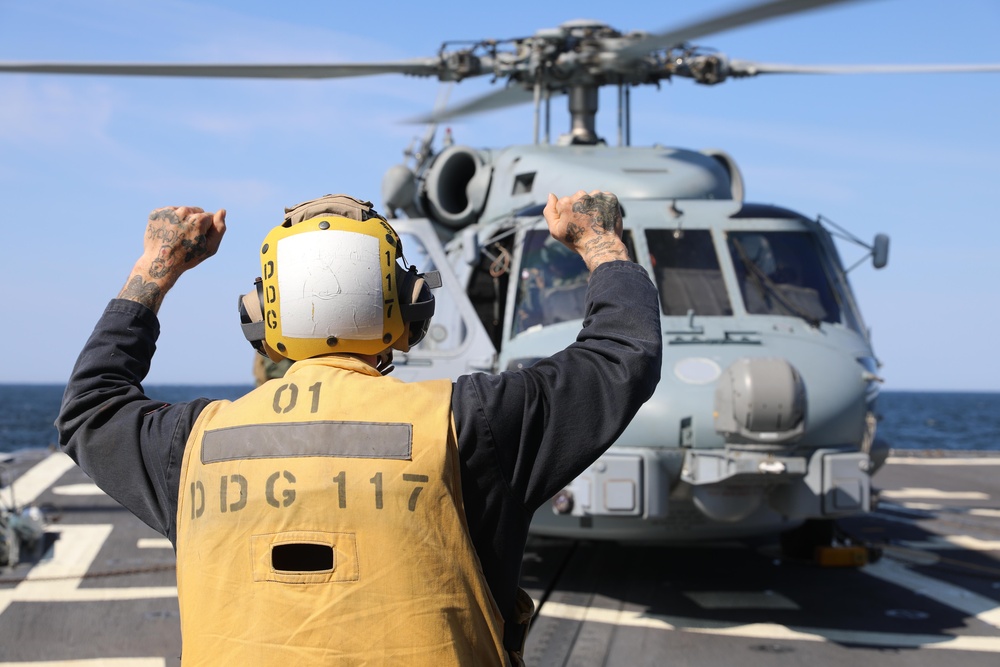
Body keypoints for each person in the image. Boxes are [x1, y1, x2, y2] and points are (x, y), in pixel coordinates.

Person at [56, 190, 661, 665]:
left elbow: (92, 406)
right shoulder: (471, 426)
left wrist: (157, 265)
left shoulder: (192, 445)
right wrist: (601, 243)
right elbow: (621, 355)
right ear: (411, 308)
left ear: (260, 320)